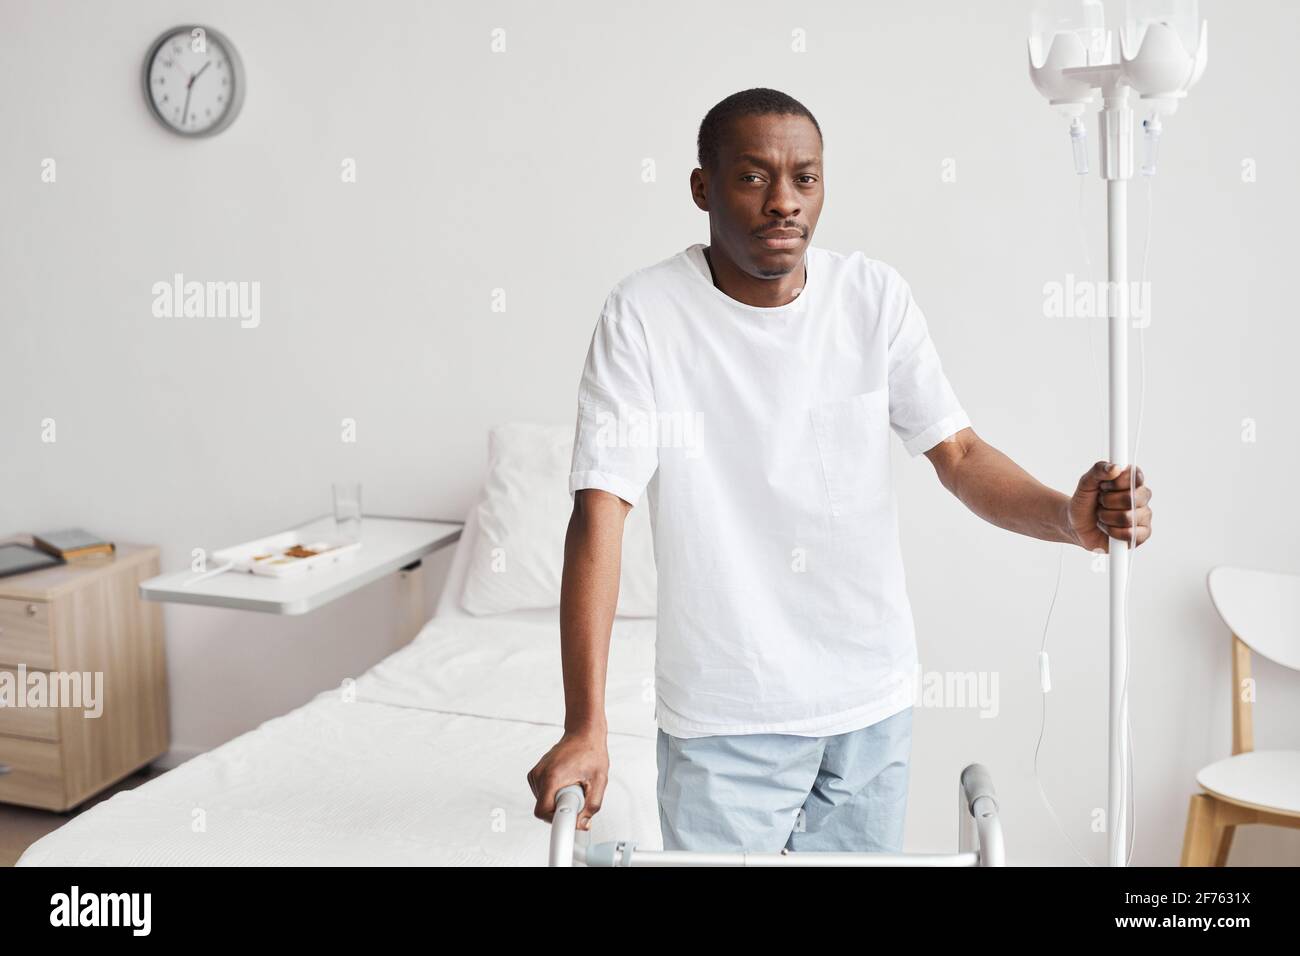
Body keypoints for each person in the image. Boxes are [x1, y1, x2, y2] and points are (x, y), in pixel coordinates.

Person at [527, 87, 1151, 853]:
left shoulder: (872, 298)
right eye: (753, 178)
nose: (783, 202)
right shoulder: (645, 315)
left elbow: (956, 454)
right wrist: (584, 726)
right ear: (703, 188)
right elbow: (601, 511)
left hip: (869, 709)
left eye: (806, 179)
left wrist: (1068, 518)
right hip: (727, 719)